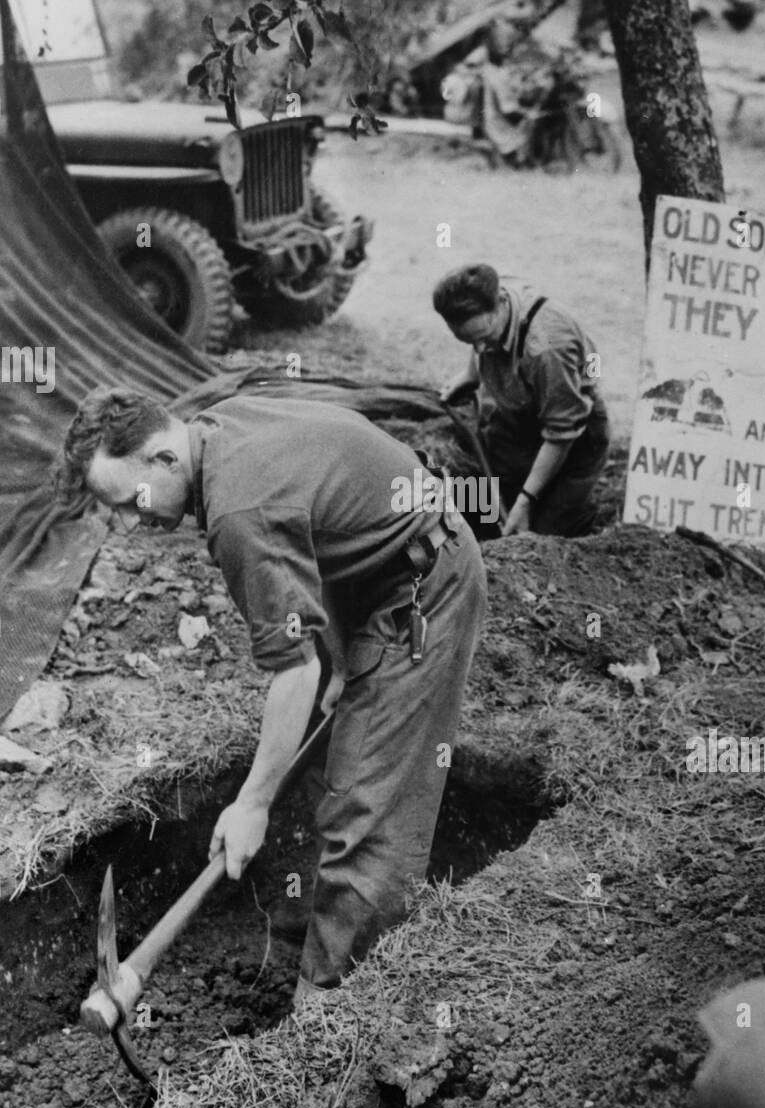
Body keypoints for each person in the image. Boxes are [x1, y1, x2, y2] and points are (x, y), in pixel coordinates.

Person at [58, 389, 487, 1009]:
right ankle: (312, 912)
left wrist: (253, 803)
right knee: (332, 764)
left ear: (162, 459)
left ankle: (335, 1011)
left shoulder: (240, 511)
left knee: (369, 809)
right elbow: (324, 519)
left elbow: (292, 674)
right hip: (375, 575)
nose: (128, 523)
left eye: (129, 502)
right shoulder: (215, 430)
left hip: (426, 587)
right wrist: (342, 653)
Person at [436, 264, 609, 537]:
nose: (480, 349)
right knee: (485, 504)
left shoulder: (547, 349)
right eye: (469, 342)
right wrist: (471, 375)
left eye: (483, 339)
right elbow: (480, 343)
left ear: (502, 303)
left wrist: (525, 500)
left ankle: (580, 519)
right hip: (521, 411)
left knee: (539, 535)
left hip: (573, 432)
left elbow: (561, 433)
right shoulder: (488, 294)